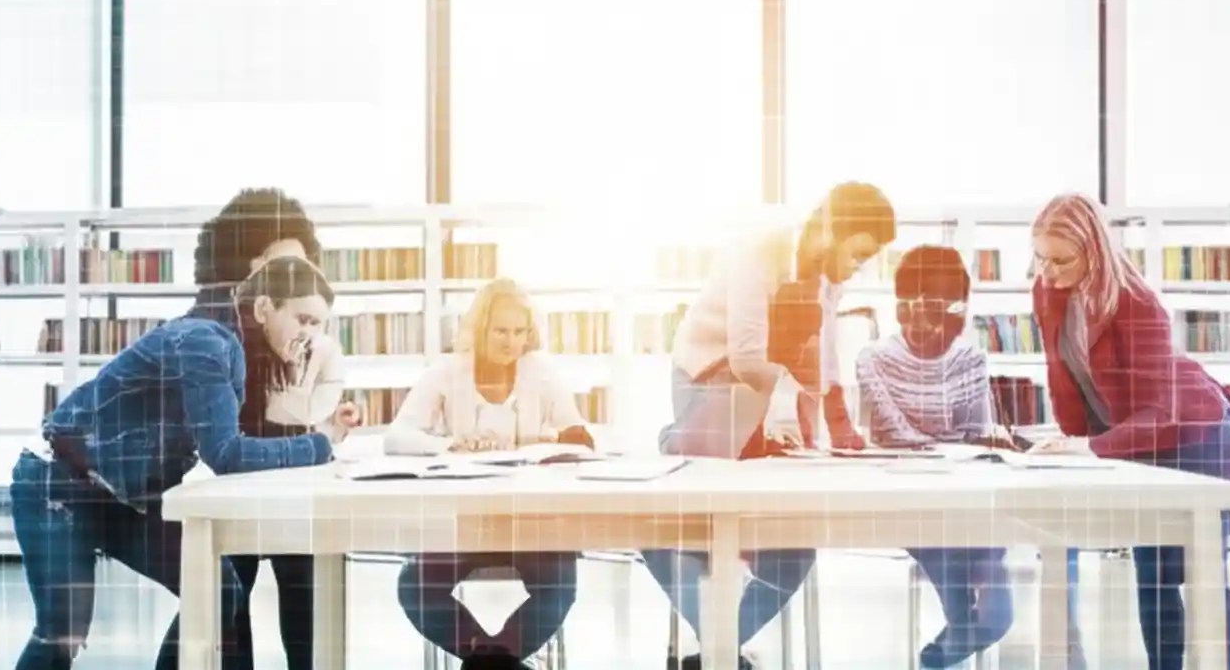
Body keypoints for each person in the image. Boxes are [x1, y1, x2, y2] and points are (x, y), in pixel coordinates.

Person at [9, 256, 348, 670]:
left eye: (319, 325)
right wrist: (322, 442)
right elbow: (226, 454)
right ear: (263, 309)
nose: (311, 335)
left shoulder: (230, 346)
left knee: (220, 591)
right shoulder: (207, 342)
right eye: (305, 320)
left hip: (120, 495)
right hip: (57, 483)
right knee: (62, 634)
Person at [642, 181, 897, 669]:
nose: (857, 267)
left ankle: (717, 652)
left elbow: (818, 357)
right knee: (675, 523)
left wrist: (834, 424)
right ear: (833, 231)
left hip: (761, 392)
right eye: (859, 253)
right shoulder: (757, 254)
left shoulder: (826, 276)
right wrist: (788, 400)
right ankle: (678, 445)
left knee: (795, 543)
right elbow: (744, 357)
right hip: (711, 377)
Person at [1028, 193, 1230, 670]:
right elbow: (1061, 372)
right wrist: (1070, 444)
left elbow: (1162, 411)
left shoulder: (1136, 302)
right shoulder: (1046, 290)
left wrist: (1092, 447)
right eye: (1040, 256)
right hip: (1135, 438)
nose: (1048, 271)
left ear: (1094, 250)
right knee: (1154, 572)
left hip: (1195, 434)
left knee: (1203, 572)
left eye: (1061, 260)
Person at [383, 278, 592, 670]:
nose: (511, 341)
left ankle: (491, 661)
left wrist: (553, 443)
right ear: (480, 329)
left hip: (529, 523)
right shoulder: (447, 371)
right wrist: (448, 445)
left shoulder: (540, 372)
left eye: (519, 331)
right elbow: (396, 437)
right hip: (460, 523)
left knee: (561, 579)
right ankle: (495, 658)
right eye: (501, 330)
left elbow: (578, 437)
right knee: (415, 586)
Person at [191, 187, 357, 670]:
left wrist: (327, 419)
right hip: (240, 479)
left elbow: (321, 393)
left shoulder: (307, 334)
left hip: (298, 480)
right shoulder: (217, 335)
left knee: (306, 596)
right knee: (229, 602)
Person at [855, 245, 1013, 667]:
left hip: (969, 497)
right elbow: (893, 434)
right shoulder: (874, 360)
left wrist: (990, 446)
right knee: (953, 559)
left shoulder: (972, 358)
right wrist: (944, 449)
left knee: (997, 614)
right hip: (913, 500)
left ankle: (941, 651)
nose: (932, 320)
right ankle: (946, 647)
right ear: (904, 307)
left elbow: (977, 432)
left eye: (950, 307)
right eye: (919, 306)